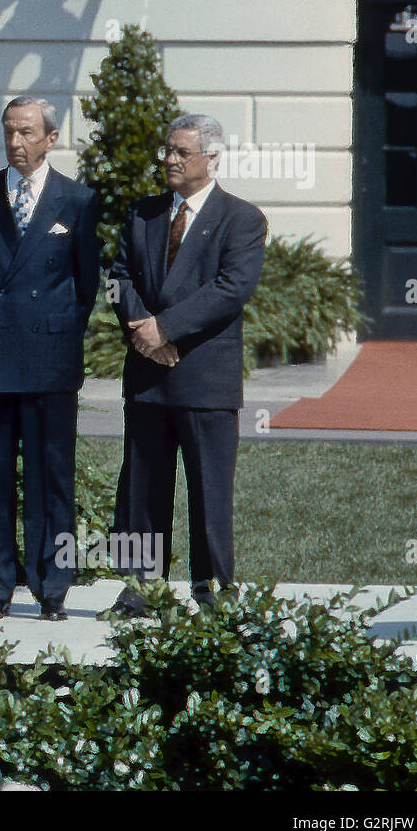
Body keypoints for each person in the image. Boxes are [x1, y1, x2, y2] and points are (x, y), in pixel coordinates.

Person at [102, 114, 267, 617]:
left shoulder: (242, 219)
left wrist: (164, 330)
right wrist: (142, 330)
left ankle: (213, 593)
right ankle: (139, 592)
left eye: (181, 153)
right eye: (167, 151)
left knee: (209, 492)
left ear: (211, 159)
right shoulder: (143, 214)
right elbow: (118, 278)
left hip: (205, 379)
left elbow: (230, 289)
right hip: (150, 377)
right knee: (140, 491)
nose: (170, 160)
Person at [0, 97, 100, 621]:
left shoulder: (78, 200)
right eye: (8, 132)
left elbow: (85, 287)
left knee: (51, 477)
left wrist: (55, 332)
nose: (15, 143)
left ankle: (51, 587)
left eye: (26, 133)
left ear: (50, 138)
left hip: (50, 358)